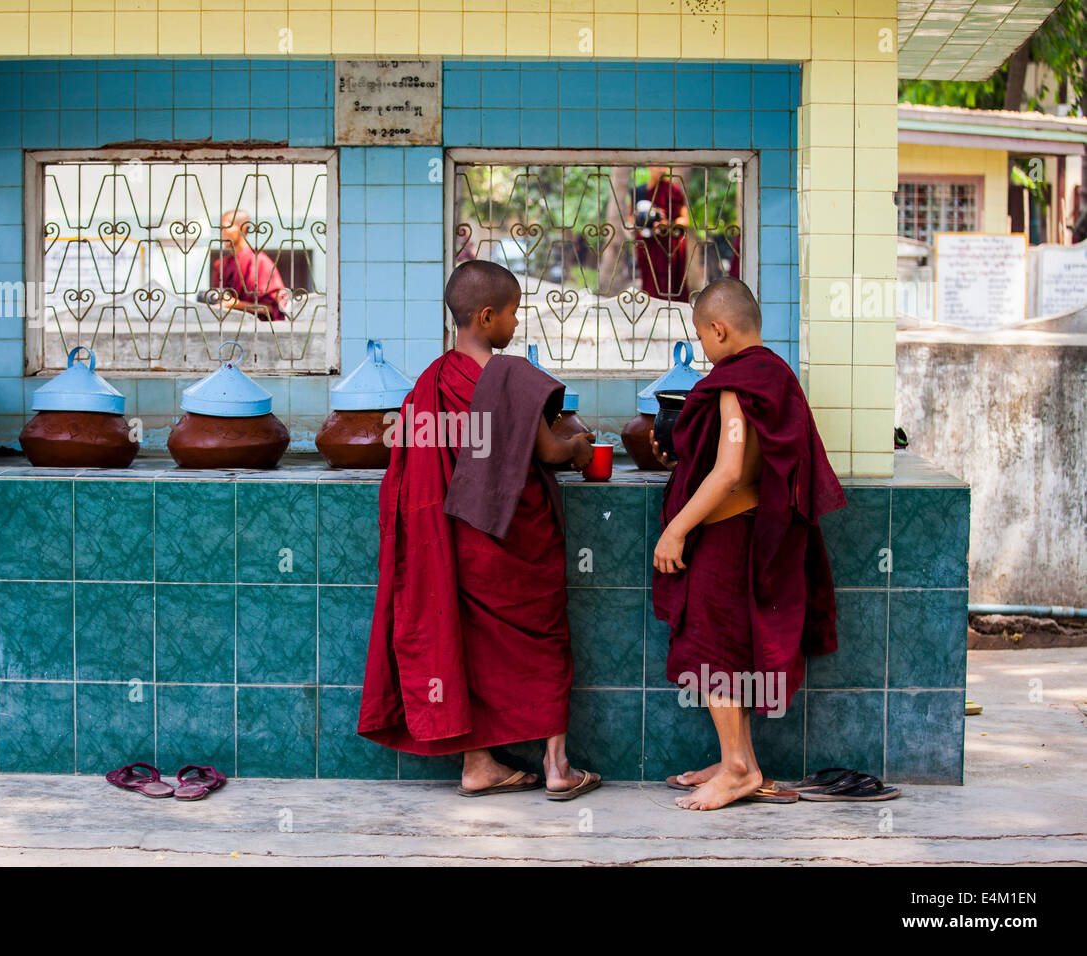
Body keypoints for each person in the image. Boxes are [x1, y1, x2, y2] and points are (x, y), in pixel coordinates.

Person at [357, 259, 602, 800]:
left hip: (453, 548)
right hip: (513, 545)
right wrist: (580, 448)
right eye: (514, 314)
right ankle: (557, 765)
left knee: (462, 644)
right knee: (546, 642)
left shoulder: (428, 384)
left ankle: (478, 764)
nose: (517, 325)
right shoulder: (510, 377)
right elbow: (551, 451)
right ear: (488, 317)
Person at [649, 277, 846, 811]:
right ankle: (738, 759)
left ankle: (738, 769)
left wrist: (676, 529)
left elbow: (729, 471)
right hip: (758, 532)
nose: (703, 347)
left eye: (700, 334)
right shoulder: (777, 373)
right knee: (729, 652)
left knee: (710, 650)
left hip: (729, 535)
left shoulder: (736, 383)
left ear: (718, 329)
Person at [208, 209, 288, 321]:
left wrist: (235, 304)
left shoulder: (259, 262)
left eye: (226, 227)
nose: (223, 233)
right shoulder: (222, 264)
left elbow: (271, 309)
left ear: (242, 228)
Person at [632, 166, 691, 302]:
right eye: (657, 166)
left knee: (670, 280)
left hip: (668, 244)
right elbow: (630, 218)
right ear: (649, 167)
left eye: (663, 166)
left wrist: (667, 223)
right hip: (648, 243)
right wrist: (643, 218)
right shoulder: (639, 192)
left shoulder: (673, 191)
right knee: (650, 279)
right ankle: (650, 308)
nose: (661, 170)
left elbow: (685, 220)